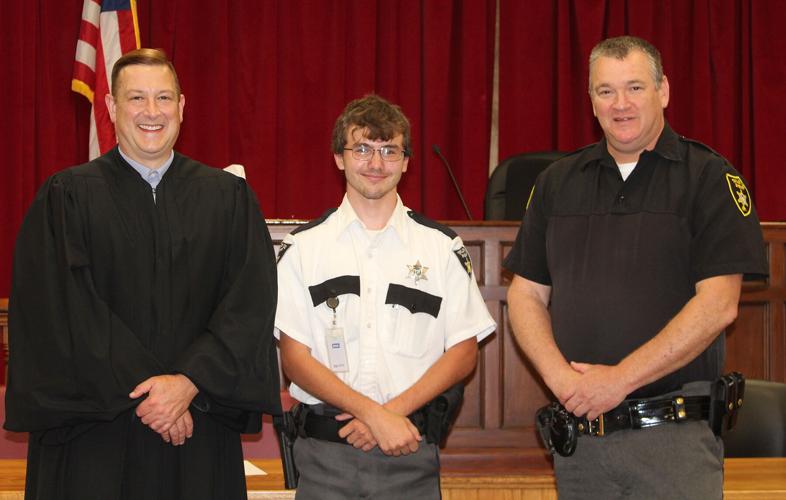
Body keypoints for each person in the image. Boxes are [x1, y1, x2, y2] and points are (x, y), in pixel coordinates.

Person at [4, 48, 281, 500]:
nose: (151, 112)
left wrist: (188, 383)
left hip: (198, 429)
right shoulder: (66, 197)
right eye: (136, 98)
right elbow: (60, 313)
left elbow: (247, 305)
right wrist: (156, 397)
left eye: (164, 98)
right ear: (112, 107)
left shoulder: (227, 199)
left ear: (182, 106)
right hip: (94, 436)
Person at [504, 35, 767, 499]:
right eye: (605, 91)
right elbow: (525, 295)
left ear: (663, 91)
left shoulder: (709, 178)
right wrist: (563, 382)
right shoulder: (556, 183)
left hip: (673, 441)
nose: (620, 104)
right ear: (591, 100)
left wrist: (618, 381)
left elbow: (720, 305)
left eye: (635, 88)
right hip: (581, 440)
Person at [275, 94, 496, 499]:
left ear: (406, 161)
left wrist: (388, 416)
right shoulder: (303, 248)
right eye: (361, 149)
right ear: (339, 158)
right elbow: (294, 358)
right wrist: (372, 414)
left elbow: (464, 353)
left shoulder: (440, 247)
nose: (376, 164)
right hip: (326, 458)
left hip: (407, 450)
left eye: (388, 151)